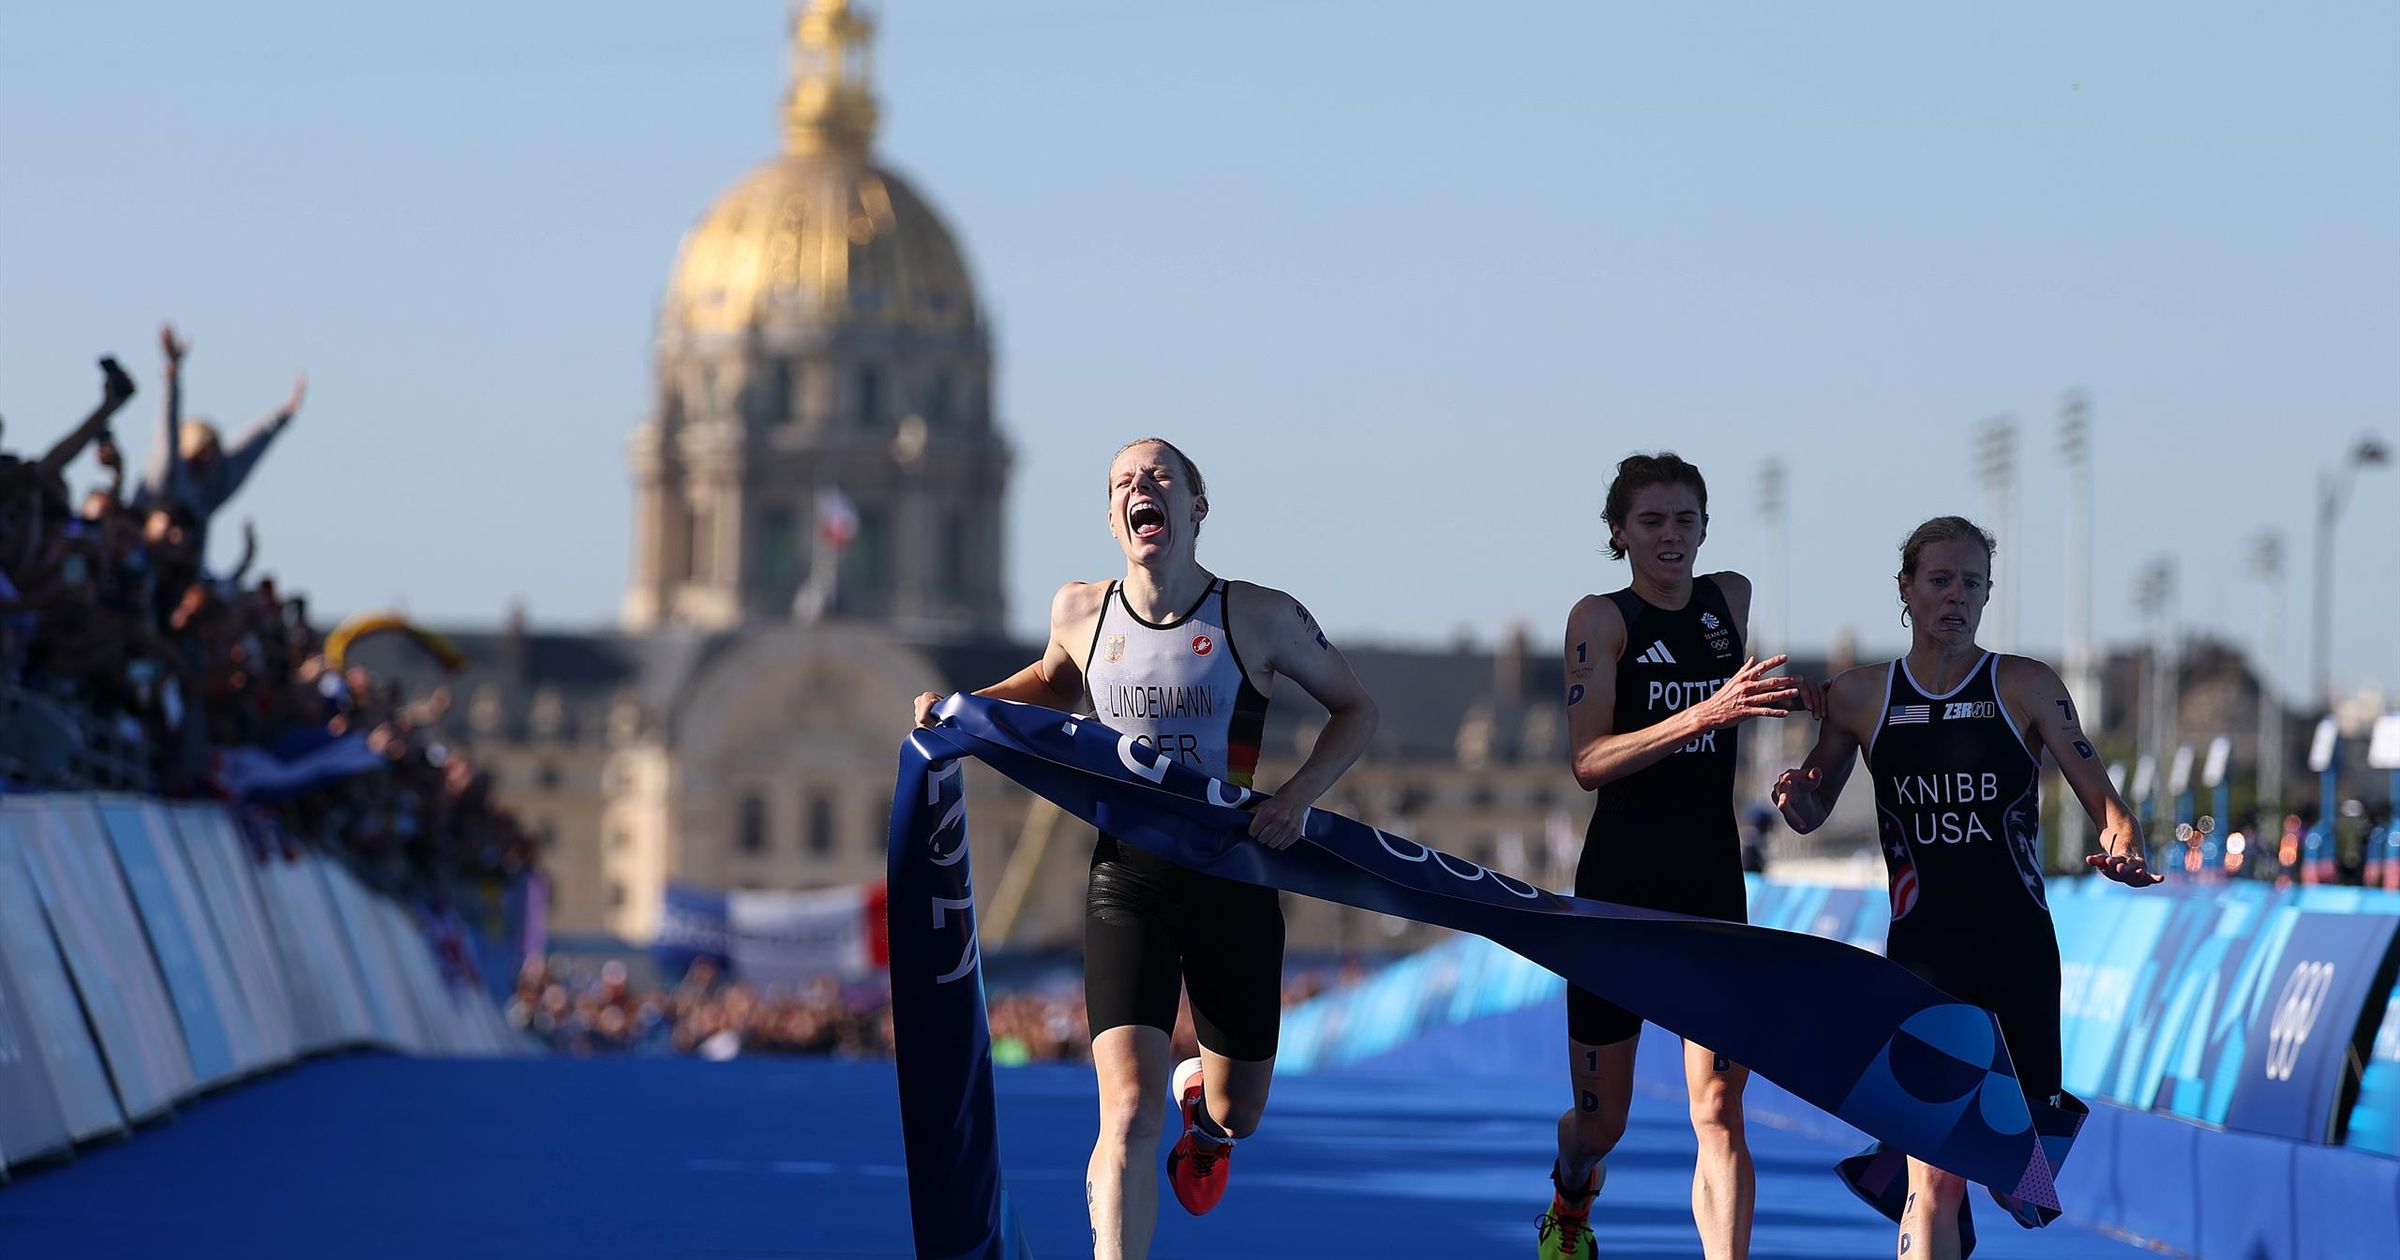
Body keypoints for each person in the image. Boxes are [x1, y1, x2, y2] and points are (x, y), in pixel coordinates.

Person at [912, 438, 1377, 1260]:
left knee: (1241, 1110)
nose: (1140, 487)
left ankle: (1206, 1112)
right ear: (1113, 517)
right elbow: (1058, 680)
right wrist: (964, 706)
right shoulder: (1081, 611)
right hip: (1128, 880)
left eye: (1160, 476)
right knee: (1125, 1111)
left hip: (1234, 877)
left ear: (1197, 510)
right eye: (1124, 480)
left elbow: (1355, 710)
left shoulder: (1258, 615)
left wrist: (1297, 798)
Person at [1771, 515, 2160, 1260]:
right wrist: (1796, 795)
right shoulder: (1859, 696)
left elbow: (2109, 809)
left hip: (2017, 955)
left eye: (1972, 583)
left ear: (1988, 595)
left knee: (2013, 1178)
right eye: (1940, 580)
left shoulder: (2026, 685)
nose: (1956, 596)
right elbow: (1812, 808)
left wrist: (2121, 847)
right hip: (1924, 962)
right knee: (1935, 1178)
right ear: (1906, 590)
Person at [1542, 452, 1813, 1260]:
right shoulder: (1601, 618)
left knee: (1719, 1110)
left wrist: (1818, 759)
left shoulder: (1729, 599)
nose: (1670, 537)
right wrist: (1707, 713)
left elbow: (1793, 696)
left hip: (1709, 887)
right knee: (1602, 1122)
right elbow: (1587, 763)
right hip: (1618, 893)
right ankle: (1570, 1191)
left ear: (1704, 528)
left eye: (1685, 521)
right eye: (1651, 522)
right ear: (1619, 533)